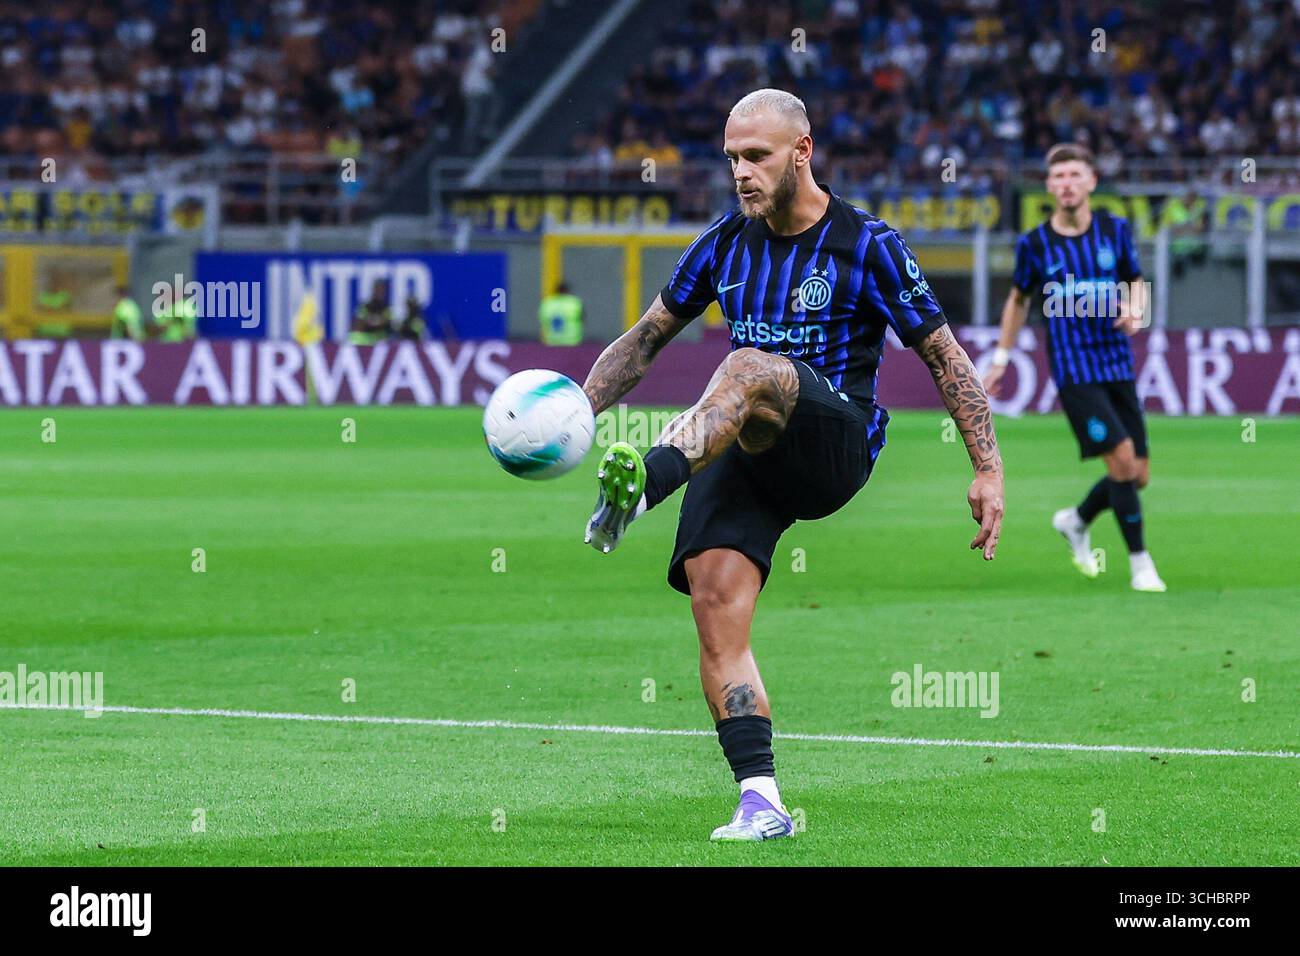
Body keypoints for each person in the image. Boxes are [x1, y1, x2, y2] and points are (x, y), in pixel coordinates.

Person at [579, 89, 1005, 842]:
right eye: (731, 159)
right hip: (741, 446)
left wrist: (987, 467)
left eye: (756, 157)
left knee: (748, 366)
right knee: (714, 604)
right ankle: (761, 801)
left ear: (802, 153)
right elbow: (645, 340)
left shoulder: (868, 244)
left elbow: (943, 355)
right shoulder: (723, 242)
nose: (740, 173)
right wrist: (579, 416)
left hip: (832, 444)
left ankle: (641, 487)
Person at [983, 143, 1165, 593]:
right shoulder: (1035, 244)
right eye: (1058, 176)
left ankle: (1076, 520)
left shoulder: (1114, 230)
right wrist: (1002, 358)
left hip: (1118, 366)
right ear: (1050, 186)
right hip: (1075, 371)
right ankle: (1141, 563)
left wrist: (1137, 311)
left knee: (1138, 474)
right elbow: (1019, 301)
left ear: (1091, 182)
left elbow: (1136, 281)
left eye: (1074, 175)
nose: (1066, 184)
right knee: (1122, 462)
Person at [350, 280, 392, 345]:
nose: (379, 292)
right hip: (366, 337)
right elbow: (358, 323)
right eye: (378, 289)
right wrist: (377, 321)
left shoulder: (387, 308)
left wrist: (372, 321)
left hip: (381, 339)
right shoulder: (365, 306)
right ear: (374, 290)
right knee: (353, 336)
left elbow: (388, 323)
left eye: (382, 290)